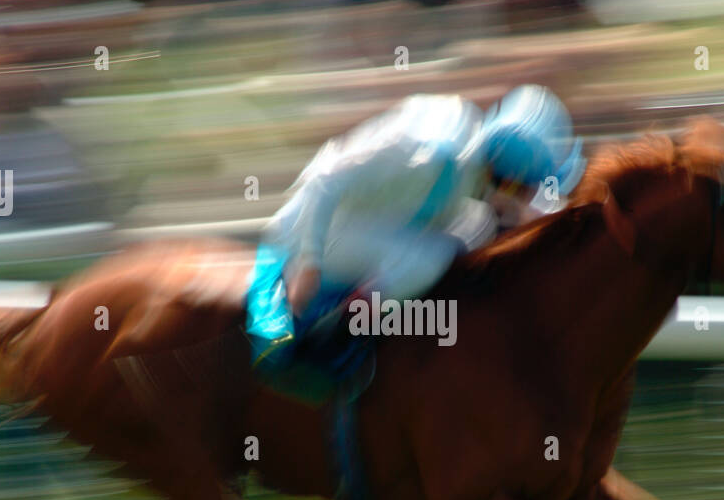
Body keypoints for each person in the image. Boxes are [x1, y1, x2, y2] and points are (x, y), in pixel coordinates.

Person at [246, 85, 584, 378]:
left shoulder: (473, 160)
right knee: (436, 255)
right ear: (507, 178)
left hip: (357, 226)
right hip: (304, 233)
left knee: (465, 243)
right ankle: (337, 330)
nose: (526, 201)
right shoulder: (435, 157)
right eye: (525, 190)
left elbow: (531, 211)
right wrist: (309, 265)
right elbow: (325, 181)